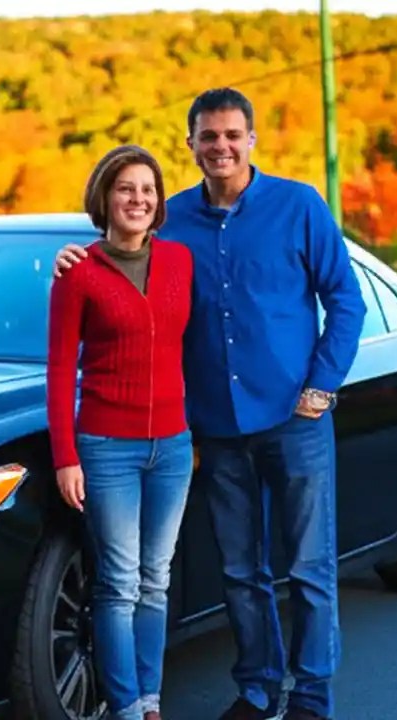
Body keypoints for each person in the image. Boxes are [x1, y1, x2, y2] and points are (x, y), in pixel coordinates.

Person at [53, 88, 365, 720]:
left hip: (294, 419)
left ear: (251, 139)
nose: (221, 146)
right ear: (190, 143)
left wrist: (323, 382)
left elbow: (346, 300)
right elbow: (120, 259)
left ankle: (309, 697)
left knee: (307, 567)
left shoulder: (298, 206)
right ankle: (256, 690)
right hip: (216, 429)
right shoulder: (175, 223)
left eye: (232, 135)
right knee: (241, 571)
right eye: (208, 136)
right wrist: (68, 257)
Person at [46, 144, 195, 720]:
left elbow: (199, 345)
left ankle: (150, 697)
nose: (138, 199)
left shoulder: (180, 261)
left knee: (155, 579)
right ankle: (125, 705)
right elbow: (61, 370)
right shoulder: (77, 272)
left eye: (147, 190)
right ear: (104, 197)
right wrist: (66, 456)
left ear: (159, 202)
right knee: (118, 584)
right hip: (107, 449)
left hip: (174, 448)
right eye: (126, 188)